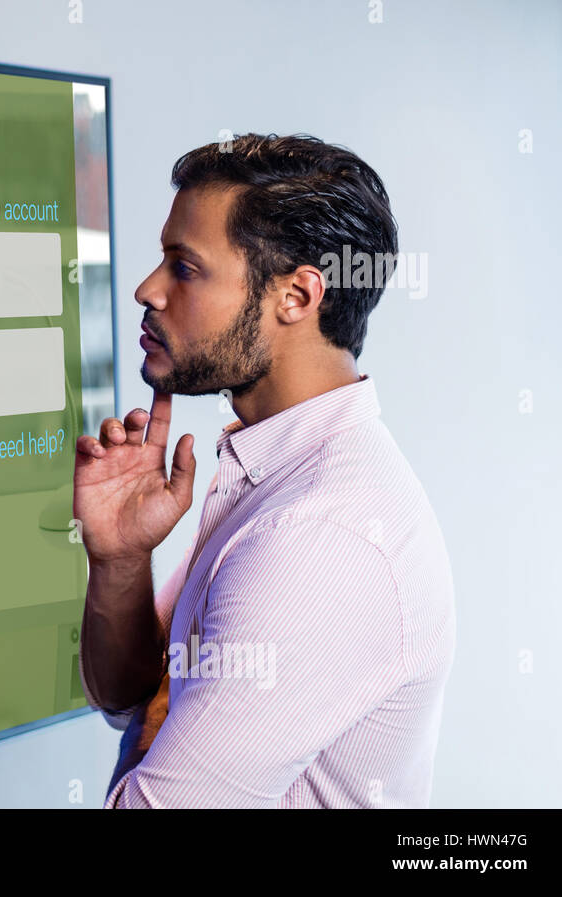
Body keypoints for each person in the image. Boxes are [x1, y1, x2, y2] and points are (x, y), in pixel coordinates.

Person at [75, 134, 455, 808]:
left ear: (297, 297)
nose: (147, 290)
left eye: (184, 267)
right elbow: (132, 697)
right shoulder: (270, 471)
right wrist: (122, 560)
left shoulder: (321, 534)